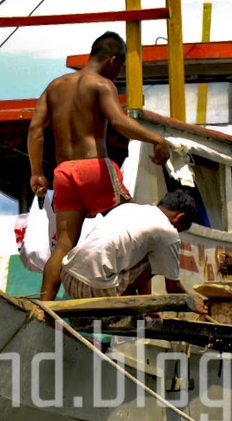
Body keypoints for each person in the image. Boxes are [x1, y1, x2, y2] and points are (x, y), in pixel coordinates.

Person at [29, 31, 173, 301]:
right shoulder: (101, 85)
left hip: (64, 172)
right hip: (94, 168)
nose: (118, 75)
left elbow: (35, 129)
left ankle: (44, 308)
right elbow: (118, 122)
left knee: (63, 246)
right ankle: (142, 305)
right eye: (120, 68)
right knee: (135, 229)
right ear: (113, 60)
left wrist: (37, 172)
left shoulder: (54, 86)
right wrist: (157, 138)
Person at [58, 187, 210, 316]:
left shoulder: (129, 208)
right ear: (180, 217)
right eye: (179, 228)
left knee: (148, 252)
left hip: (67, 277)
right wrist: (192, 301)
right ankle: (139, 304)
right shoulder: (167, 232)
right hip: (93, 288)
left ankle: (142, 305)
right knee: (155, 258)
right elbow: (172, 288)